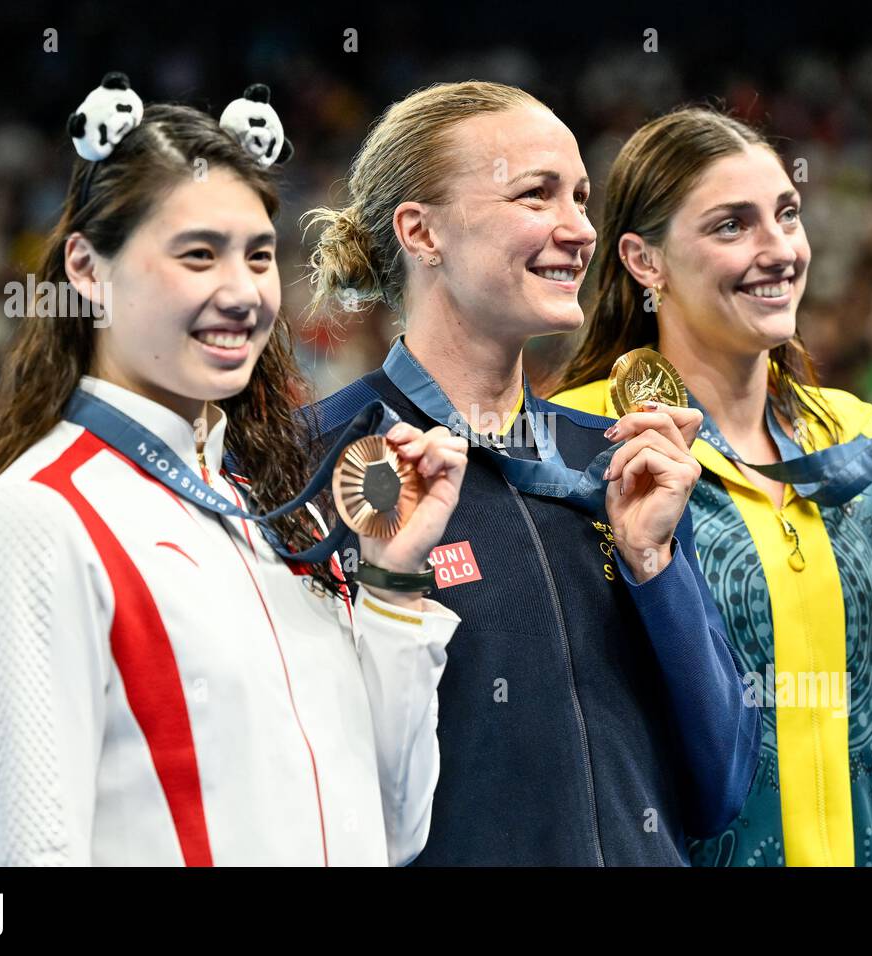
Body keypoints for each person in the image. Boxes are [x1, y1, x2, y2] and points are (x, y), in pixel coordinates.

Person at [0, 75, 466, 866]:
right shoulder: (36, 523)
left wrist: (392, 580)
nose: (242, 293)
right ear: (86, 268)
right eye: (197, 254)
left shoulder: (274, 512)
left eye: (256, 256)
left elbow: (394, 824)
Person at [303, 81, 759, 865]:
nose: (580, 229)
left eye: (582, 197)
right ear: (422, 231)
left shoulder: (618, 460)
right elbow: (319, 797)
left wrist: (656, 569)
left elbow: (721, 787)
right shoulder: (319, 464)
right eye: (536, 194)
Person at [551, 105, 872, 866]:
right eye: (731, 226)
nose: (779, 250)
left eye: (787, 215)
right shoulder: (578, 445)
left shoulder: (850, 437)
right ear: (643, 260)